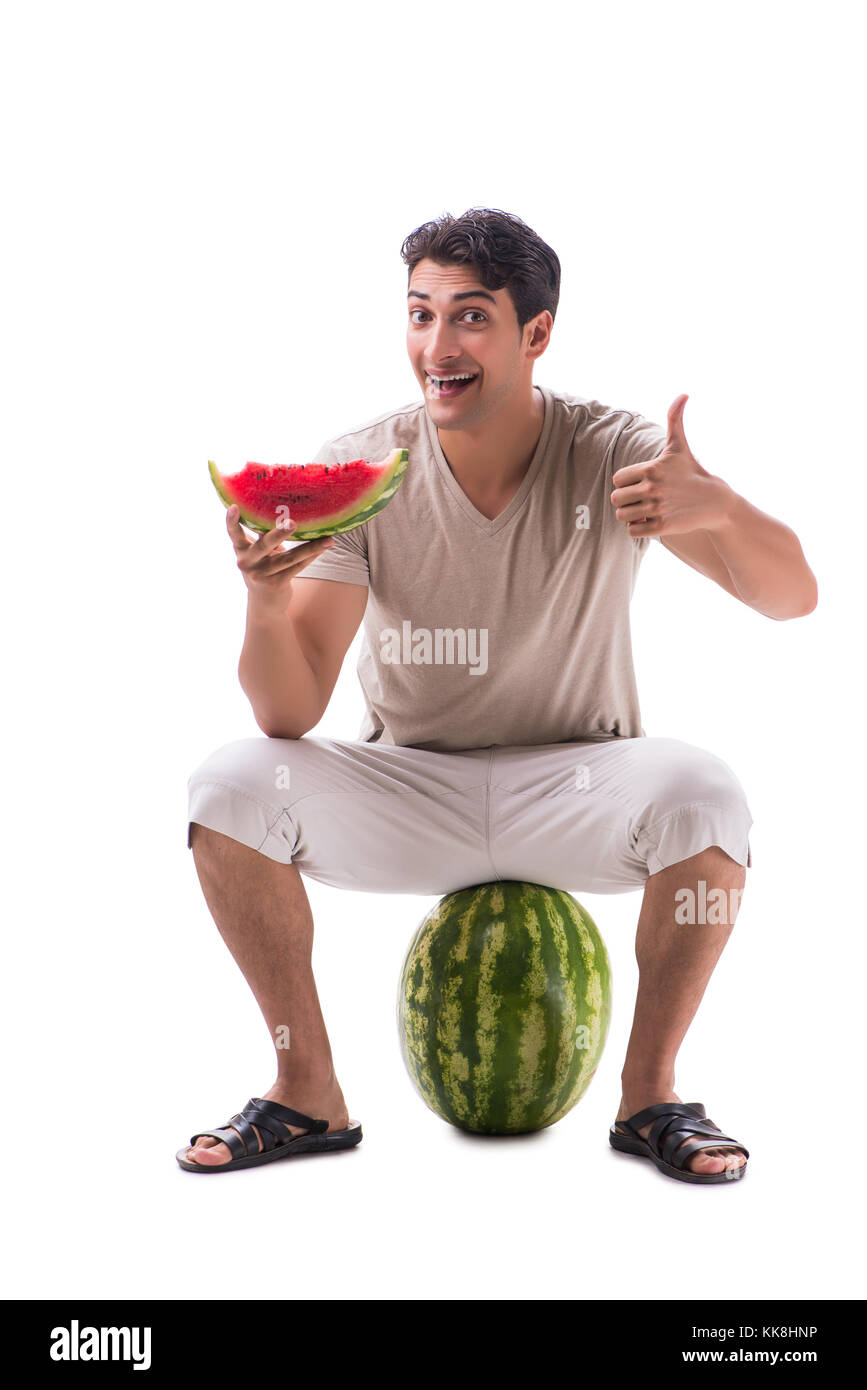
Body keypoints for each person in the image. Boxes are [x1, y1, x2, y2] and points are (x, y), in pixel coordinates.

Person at [176, 207, 818, 1183]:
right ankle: (306, 1086)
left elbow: (793, 596)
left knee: (707, 791)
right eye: (420, 313)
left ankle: (652, 1094)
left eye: (470, 316)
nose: (438, 345)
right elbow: (289, 713)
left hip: (579, 787)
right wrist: (265, 602)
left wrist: (722, 505)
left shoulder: (613, 451)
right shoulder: (372, 468)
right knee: (226, 786)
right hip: (410, 790)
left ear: (537, 332)